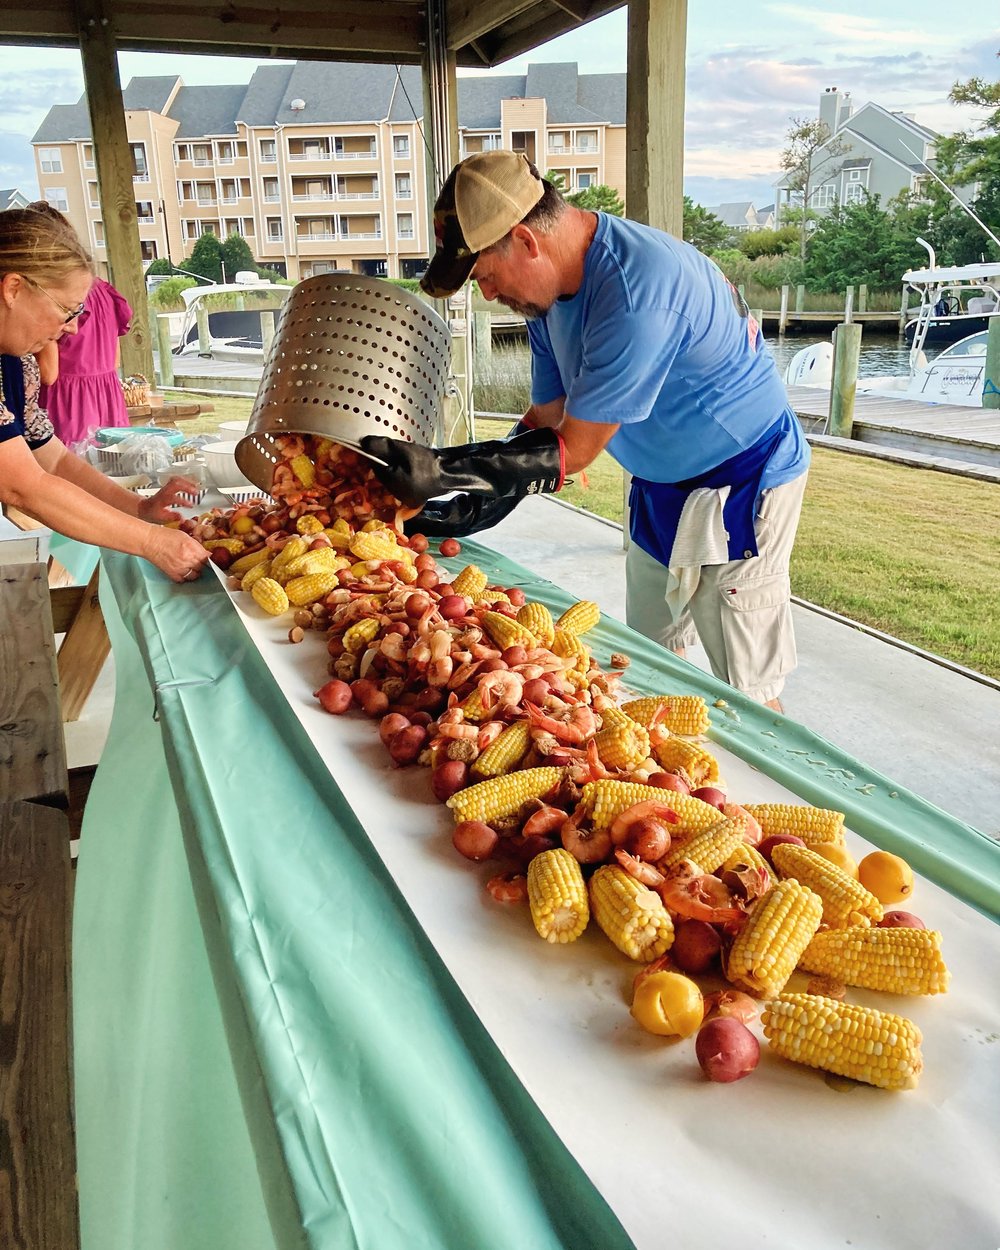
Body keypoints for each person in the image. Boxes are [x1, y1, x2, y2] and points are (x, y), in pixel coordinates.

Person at [361, 150, 810, 710]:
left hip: (740, 483)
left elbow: (573, 451)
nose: (489, 295)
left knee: (744, 684)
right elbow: (549, 417)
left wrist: (444, 469)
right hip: (656, 481)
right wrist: (474, 493)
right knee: (651, 661)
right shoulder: (547, 297)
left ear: (525, 241)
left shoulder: (638, 290)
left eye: (486, 276)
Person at [0, 206, 209, 584]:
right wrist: (152, 542)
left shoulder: (16, 360)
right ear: (13, 288)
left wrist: (141, 509)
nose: (74, 327)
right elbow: (22, 484)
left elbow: (54, 460)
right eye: (68, 309)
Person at [27, 201, 133, 446]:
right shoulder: (104, 291)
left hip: (67, 405)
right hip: (108, 400)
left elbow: (49, 373)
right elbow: (115, 360)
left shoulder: (52, 294)